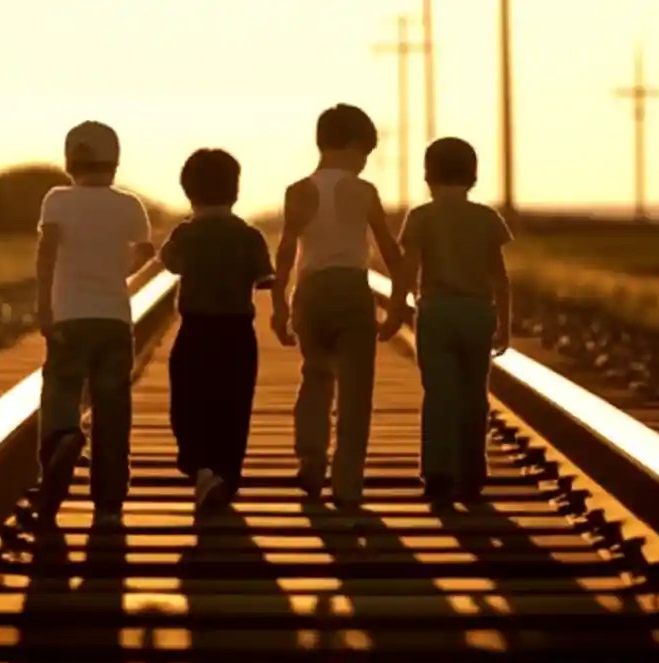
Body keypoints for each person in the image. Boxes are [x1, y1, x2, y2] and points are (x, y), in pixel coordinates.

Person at [270, 103, 403, 510]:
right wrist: (397, 304)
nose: (365, 163)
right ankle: (347, 481)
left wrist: (279, 304)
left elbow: (287, 250)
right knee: (355, 391)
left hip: (310, 292)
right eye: (364, 154)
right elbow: (390, 252)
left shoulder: (299, 190)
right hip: (351, 292)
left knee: (315, 375)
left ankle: (311, 455)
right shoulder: (362, 191)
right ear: (350, 147)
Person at [35, 120, 155, 530]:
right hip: (114, 321)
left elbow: (47, 253)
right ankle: (108, 501)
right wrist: (119, 273)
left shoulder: (56, 200)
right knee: (113, 408)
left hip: (69, 316)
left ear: (70, 162)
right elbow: (145, 252)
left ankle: (63, 436)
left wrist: (43, 307)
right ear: (115, 163)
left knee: (61, 389)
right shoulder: (129, 204)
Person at [379, 137, 512, 505]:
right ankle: (472, 475)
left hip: (436, 312)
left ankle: (438, 474)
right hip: (476, 313)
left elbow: (408, 270)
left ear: (428, 176)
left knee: (439, 395)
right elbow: (499, 277)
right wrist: (505, 322)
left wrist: (394, 311)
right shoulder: (487, 218)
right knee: (474, 396)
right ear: (473, 177)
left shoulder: (421, 217)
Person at [160, 148, 274, 512]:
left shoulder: (185, 234)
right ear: (236, 191)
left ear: (187, 191)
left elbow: (169, 263)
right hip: (238, 333)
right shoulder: (249, 235)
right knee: (234, 406)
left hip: (195, 331)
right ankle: (225, 475)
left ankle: (198, 464)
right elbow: (265, 278)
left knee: (188, 402)